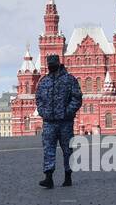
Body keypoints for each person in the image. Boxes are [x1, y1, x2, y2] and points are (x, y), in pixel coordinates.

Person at [35, 53, 82, 188]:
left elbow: (77, 98)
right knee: (48, 149)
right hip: (49, 122)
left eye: (53, 65)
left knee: (67, 150)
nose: (50, 67)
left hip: (65, 122)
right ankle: (48, 178)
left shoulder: (69, 79)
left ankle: (68, 176)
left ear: (58, 64)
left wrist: (68, 112)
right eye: (49, 65)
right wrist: (42, 112)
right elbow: (38, 99)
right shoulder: (44, 81)